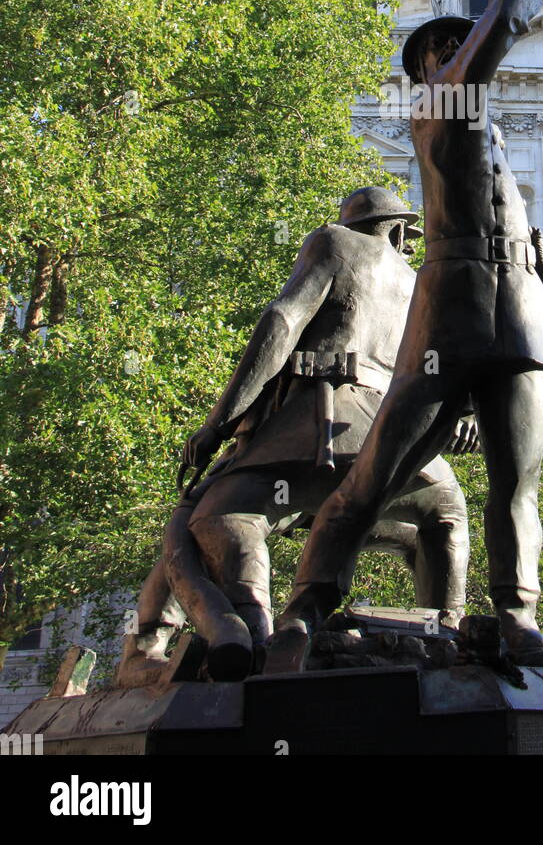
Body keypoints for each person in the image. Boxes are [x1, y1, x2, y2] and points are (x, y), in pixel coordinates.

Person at [272, 0, 543, 667]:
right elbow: (499, 24)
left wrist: (534, 258)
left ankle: (518, 614)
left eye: (456, 44)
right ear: (430, 68)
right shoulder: (440, 110)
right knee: (378, 471)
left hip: (520, 309)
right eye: (443, 48)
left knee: (517, 481)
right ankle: (306, 603)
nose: (454, 54)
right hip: (452, 301)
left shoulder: (492, 140)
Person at [117, 188, 473, 686]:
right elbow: (452, 359)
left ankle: (252, 633)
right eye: (405, 238)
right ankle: (447, 631)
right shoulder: (419, 284)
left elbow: (282, 320)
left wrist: (218, 423)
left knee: (219, 518)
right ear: (396, 229)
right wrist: (465, 413)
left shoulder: (335, 241)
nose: (406, 247)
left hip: (316, 425)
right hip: (392, 441)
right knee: (444, 518)